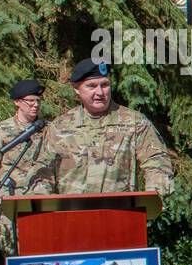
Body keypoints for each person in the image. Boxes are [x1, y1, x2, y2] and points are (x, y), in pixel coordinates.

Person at [27, 59, 174, 197]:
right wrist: (40, 203)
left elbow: (157, 160)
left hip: (120, 214)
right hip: (71, 215)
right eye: (91, 86)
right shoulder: (60, 126)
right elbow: (42, 170)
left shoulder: (134, 122)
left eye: (104, 85)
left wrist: (154, 193)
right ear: (76, 88)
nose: (100, 92)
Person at [0, 79, 49, 253]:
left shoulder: (48, 129)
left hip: (40, 196)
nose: (35, 105)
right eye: (30, 101)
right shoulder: (2, 129)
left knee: (41, 244)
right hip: (10, 196)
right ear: (17, 102)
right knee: (10, 246)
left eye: (38, 101)